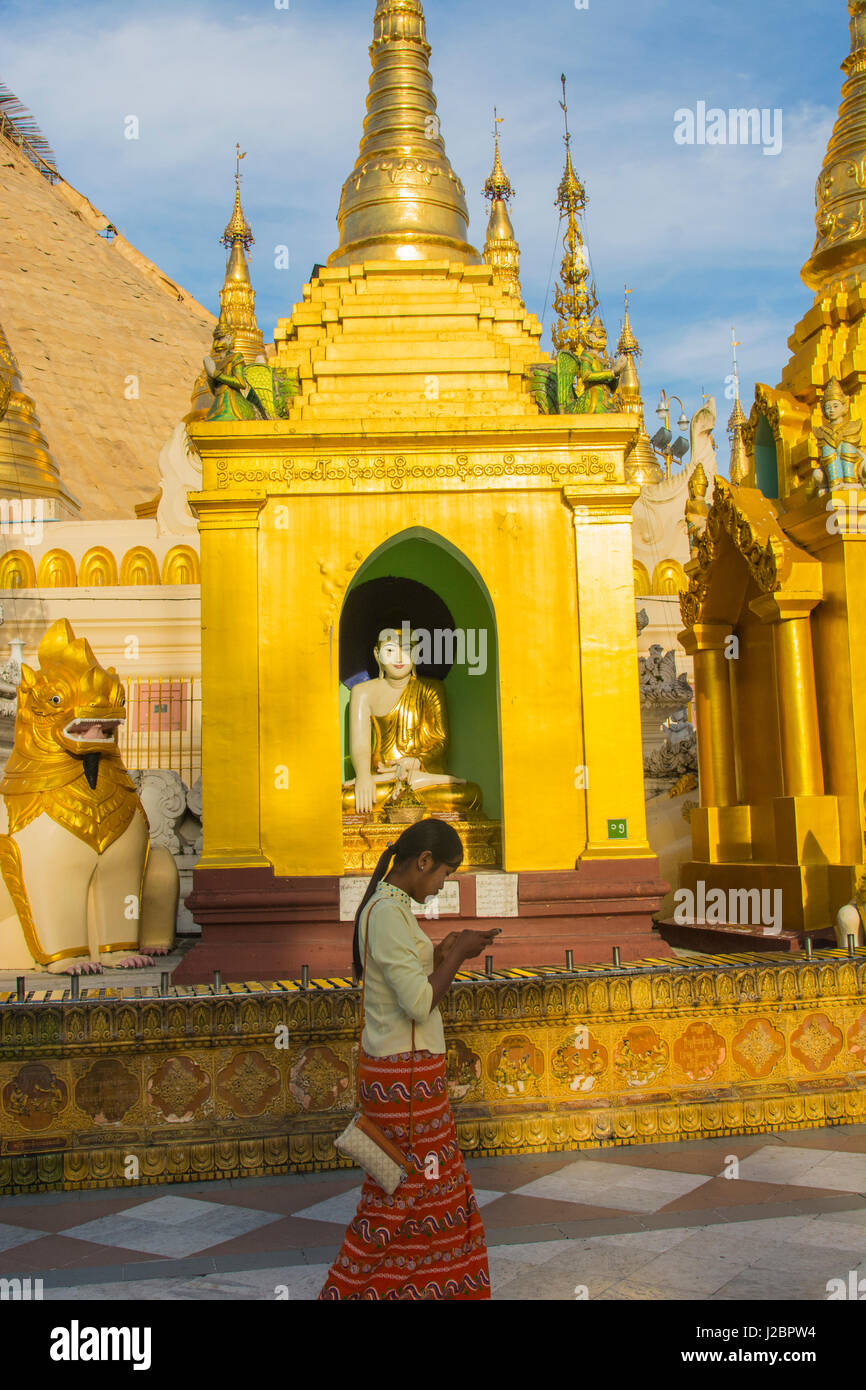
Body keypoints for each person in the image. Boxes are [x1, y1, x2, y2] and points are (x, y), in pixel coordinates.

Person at [319, 818, 500, 1300]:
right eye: (444, 873)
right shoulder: (384, 913)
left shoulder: (392, 908)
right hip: (405, 1082)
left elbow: (407, 978)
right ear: (422, 862)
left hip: (410, 1073)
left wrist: (445, 950)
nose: (442, 884)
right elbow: (418, 1003)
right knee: (402, 1198)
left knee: (420, 1196)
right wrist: (457, 954)